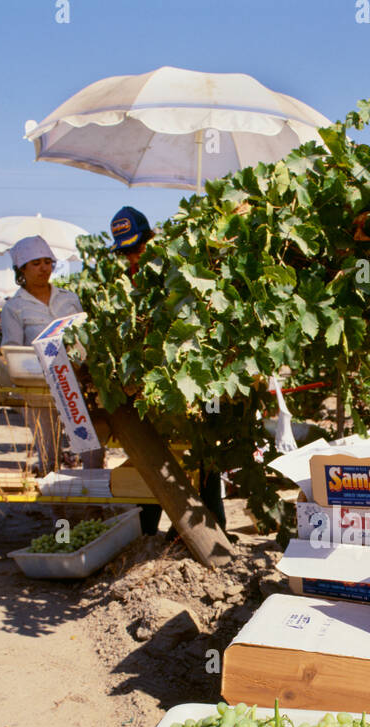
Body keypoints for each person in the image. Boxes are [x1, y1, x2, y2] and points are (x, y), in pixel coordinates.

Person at [108, 205, 227, 532]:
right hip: (160, 386)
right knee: (154, 458)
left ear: (150, 238)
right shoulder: (132, 278)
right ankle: (148, 532)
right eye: (125, 251)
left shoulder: (175, 266)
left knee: (203, 457)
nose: (132, 256)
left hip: (199, 380)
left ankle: (211, 527)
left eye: (136, 247)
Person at [0, 236, 84, 476]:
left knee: (88, 445)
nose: (44, 268)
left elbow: (83, 340)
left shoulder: (69, 299)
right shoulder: (14, 307)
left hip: (72, 384)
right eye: (35, 263)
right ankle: (55, 507)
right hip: (37, 389)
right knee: (48, 449)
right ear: (22, 269)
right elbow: (12, 351)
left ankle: (91, 502)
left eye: (48, 262)